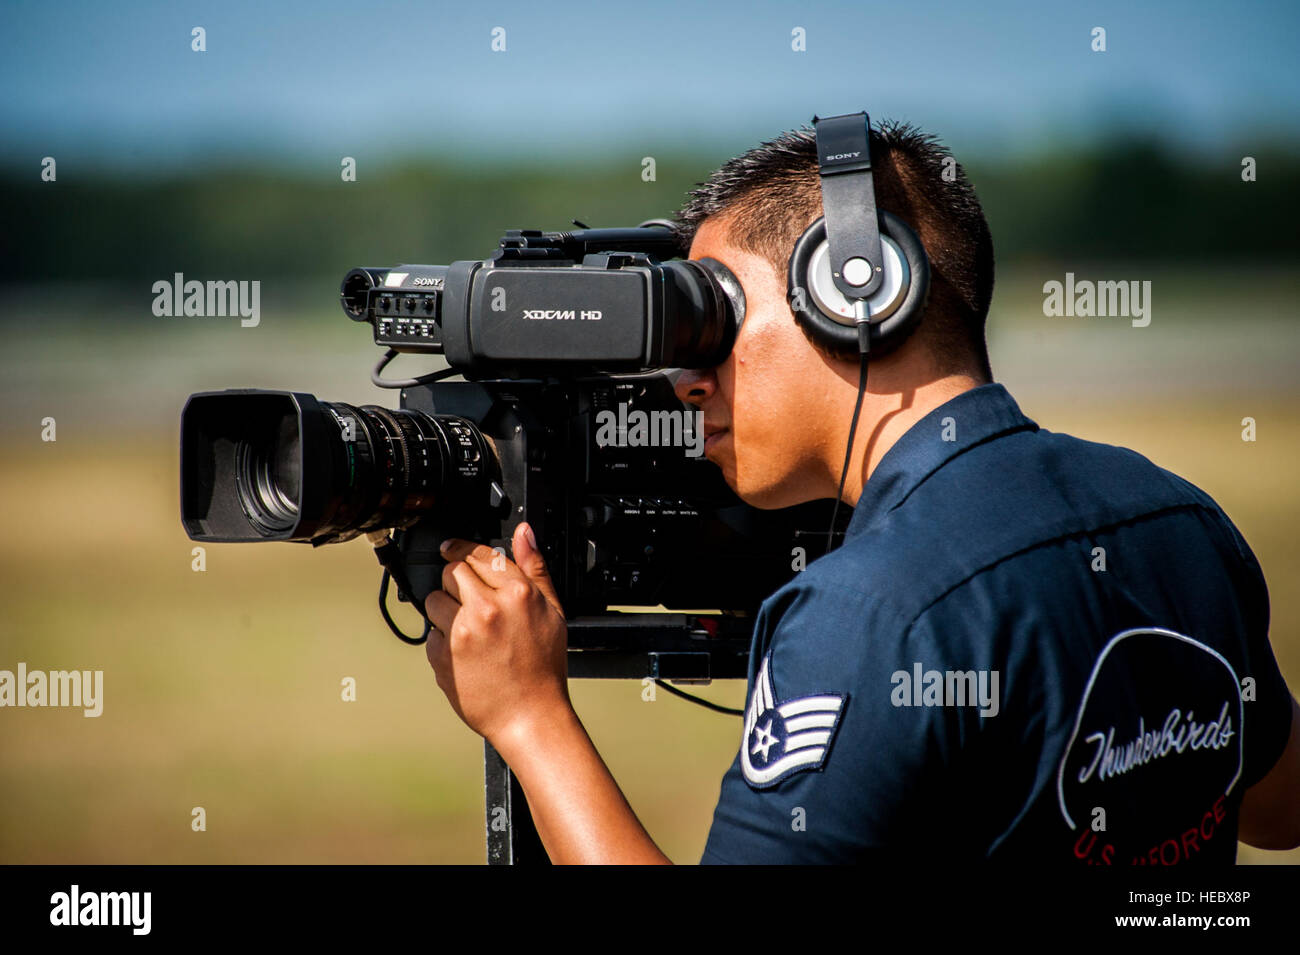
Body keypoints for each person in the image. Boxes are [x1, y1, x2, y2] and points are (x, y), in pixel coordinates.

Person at [422, 120, 1300, 864]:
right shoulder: (1179, 517)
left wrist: (530, 719)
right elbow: (1276, 803)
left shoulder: (871, 615)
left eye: (711, 319)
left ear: (855, 288)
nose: (686, 382)